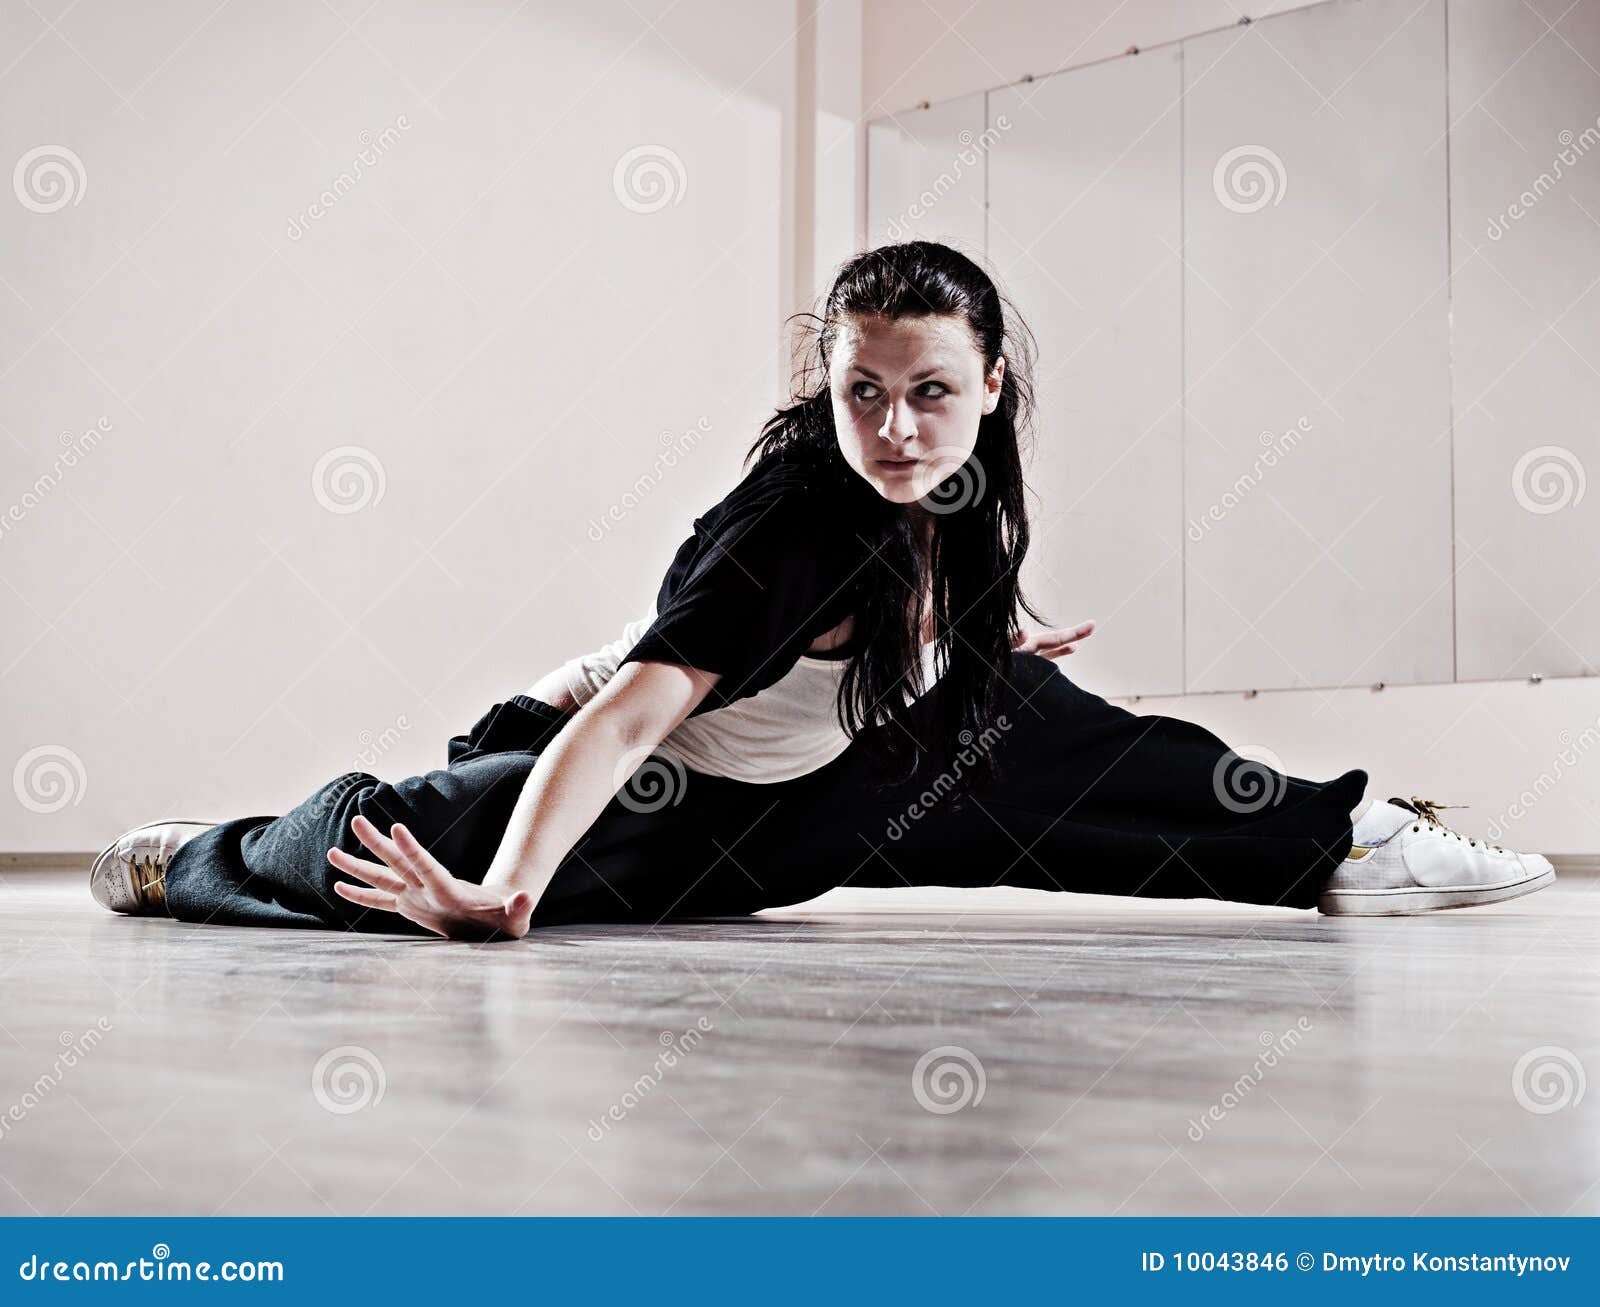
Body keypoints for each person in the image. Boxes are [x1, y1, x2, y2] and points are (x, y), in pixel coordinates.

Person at [87, 242, 1555, 941]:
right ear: (828, 388)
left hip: (817, 775)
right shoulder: (786, 531)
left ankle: (1341, 842)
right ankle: (184, 856)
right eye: (864, 394)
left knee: (1049, 729)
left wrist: (976, 642)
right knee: (376, 852)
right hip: (645, 782)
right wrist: (507, 890)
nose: (897, 427)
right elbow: (626, 723)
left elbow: (943, 635)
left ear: (992, 387)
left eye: (929, 392)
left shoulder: (966, 489)